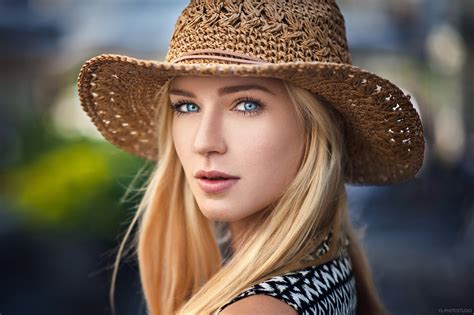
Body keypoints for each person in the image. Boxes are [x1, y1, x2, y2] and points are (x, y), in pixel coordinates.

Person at [77, 0, 425, 314]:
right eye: (186, 105)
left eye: (246, 104)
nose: (204, 141)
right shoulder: (326, 265)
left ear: (317, 127)